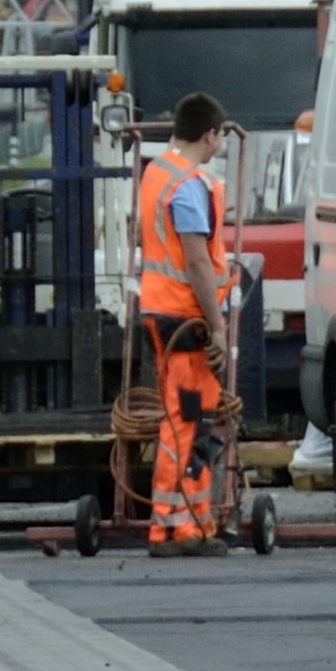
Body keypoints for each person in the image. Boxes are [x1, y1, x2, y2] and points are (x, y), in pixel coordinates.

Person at [135, 91, 234, 556]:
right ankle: (186, 528)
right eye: (218, 138)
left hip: (159, 310)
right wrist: (217, 326)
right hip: (187, 316)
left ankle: (171, 526)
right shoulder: (191, 184)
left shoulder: (157, 172)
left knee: (179, 419)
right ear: (210, 135)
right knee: (192, 423)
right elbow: (196, 260)